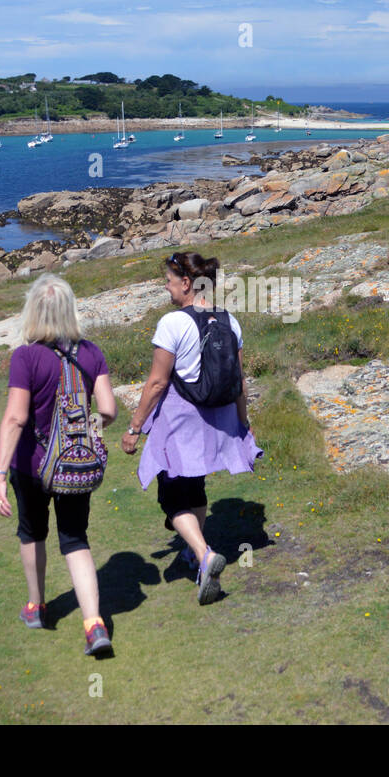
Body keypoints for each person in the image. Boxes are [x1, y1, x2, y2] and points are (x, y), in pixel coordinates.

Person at [121, 252, 262, 604]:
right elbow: (240, 381)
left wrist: (135, 427)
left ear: (187, 284)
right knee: (195, 486)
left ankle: (203, 553)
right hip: (214, 421)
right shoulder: (231, 321)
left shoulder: (173, 323)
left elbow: (156, 383)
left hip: (180, 421)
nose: (166, 289)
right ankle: (194, 557)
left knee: (170, 495)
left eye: (169, 282)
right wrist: (243, 425)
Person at [0, 273, 118, 656]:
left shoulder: (25, 357)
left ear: (33, 310)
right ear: (69, 310)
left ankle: (36, 607)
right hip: (75, 466)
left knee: (32, 533)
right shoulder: (91, 353)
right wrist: (83, 431)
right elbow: (109, 410)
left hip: (31, 465)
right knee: (75, 539)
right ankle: (94, 623)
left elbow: (15, 419)